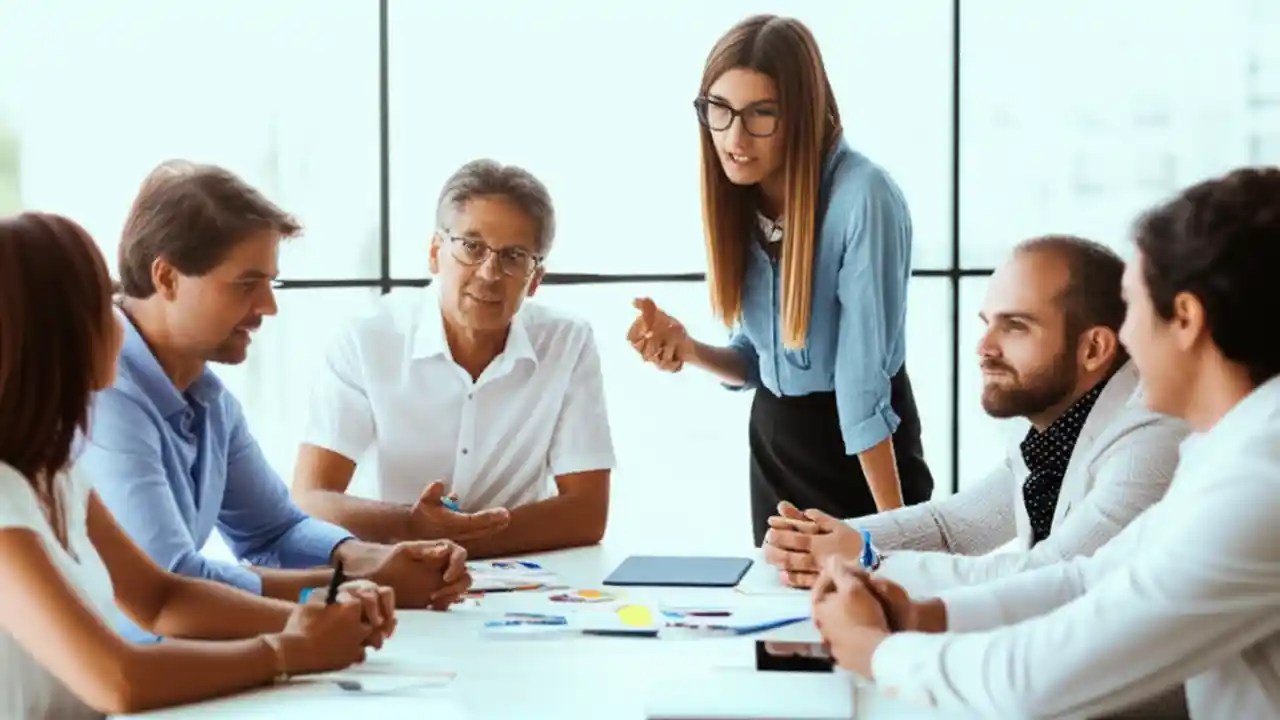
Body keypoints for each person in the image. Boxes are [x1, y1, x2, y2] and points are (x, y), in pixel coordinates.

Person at [811, 167, 1280, 718]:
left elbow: (1033, 685)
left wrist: (878, 651)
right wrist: (924, 617)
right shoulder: (1232, 447)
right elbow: (1092, 578)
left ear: (1185, 318)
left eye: (1133, 311)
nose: (1123, 341)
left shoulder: (1259, 477)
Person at [0, 212, 398, 718]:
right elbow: (117, 680)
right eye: (101, 303)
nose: (118, 317)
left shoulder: (56, 474)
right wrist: (290, 651)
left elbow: (160, 596)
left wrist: (314, 612)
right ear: (51, 332)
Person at [78, 161, 471, 643]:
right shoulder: (103, 393)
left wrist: (376, 558)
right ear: (167, 278)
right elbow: (171, 585)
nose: (268, 307)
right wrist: (345, 587)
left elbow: (273, 531)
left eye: (271, 282)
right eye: (246, 284)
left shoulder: (207, 397)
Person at [627, 14, 933, 544]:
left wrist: (894, 537)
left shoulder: (864, 196)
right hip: (776, 450)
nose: (735, 138)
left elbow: (863, 386)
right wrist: (689, 348)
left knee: (874, 615)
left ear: (801, 113)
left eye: (760, 114)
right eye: (719, 112)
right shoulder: (742, 196)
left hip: (864, 456)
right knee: (780, 621)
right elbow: (758, 361)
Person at [763, 237, 1187, 594]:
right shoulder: (1055, 423)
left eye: (1015, 326)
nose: (984, 346)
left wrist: (865, 558)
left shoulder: (1148, 439)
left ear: (1094, 349)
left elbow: (1052, 578)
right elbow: (956, 527)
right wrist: (823, 539)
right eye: (988, 323)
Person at [291, 159, 615, 558]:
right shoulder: (368, 339)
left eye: (514, 256)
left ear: (535, 279)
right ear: (434, 252)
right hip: (395, 572)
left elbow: (586, 513)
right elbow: (310, 498)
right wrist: (409, 525)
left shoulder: (567, 341)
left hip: (526, 575)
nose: (489, 272)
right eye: (471, 247)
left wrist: (455, 540)